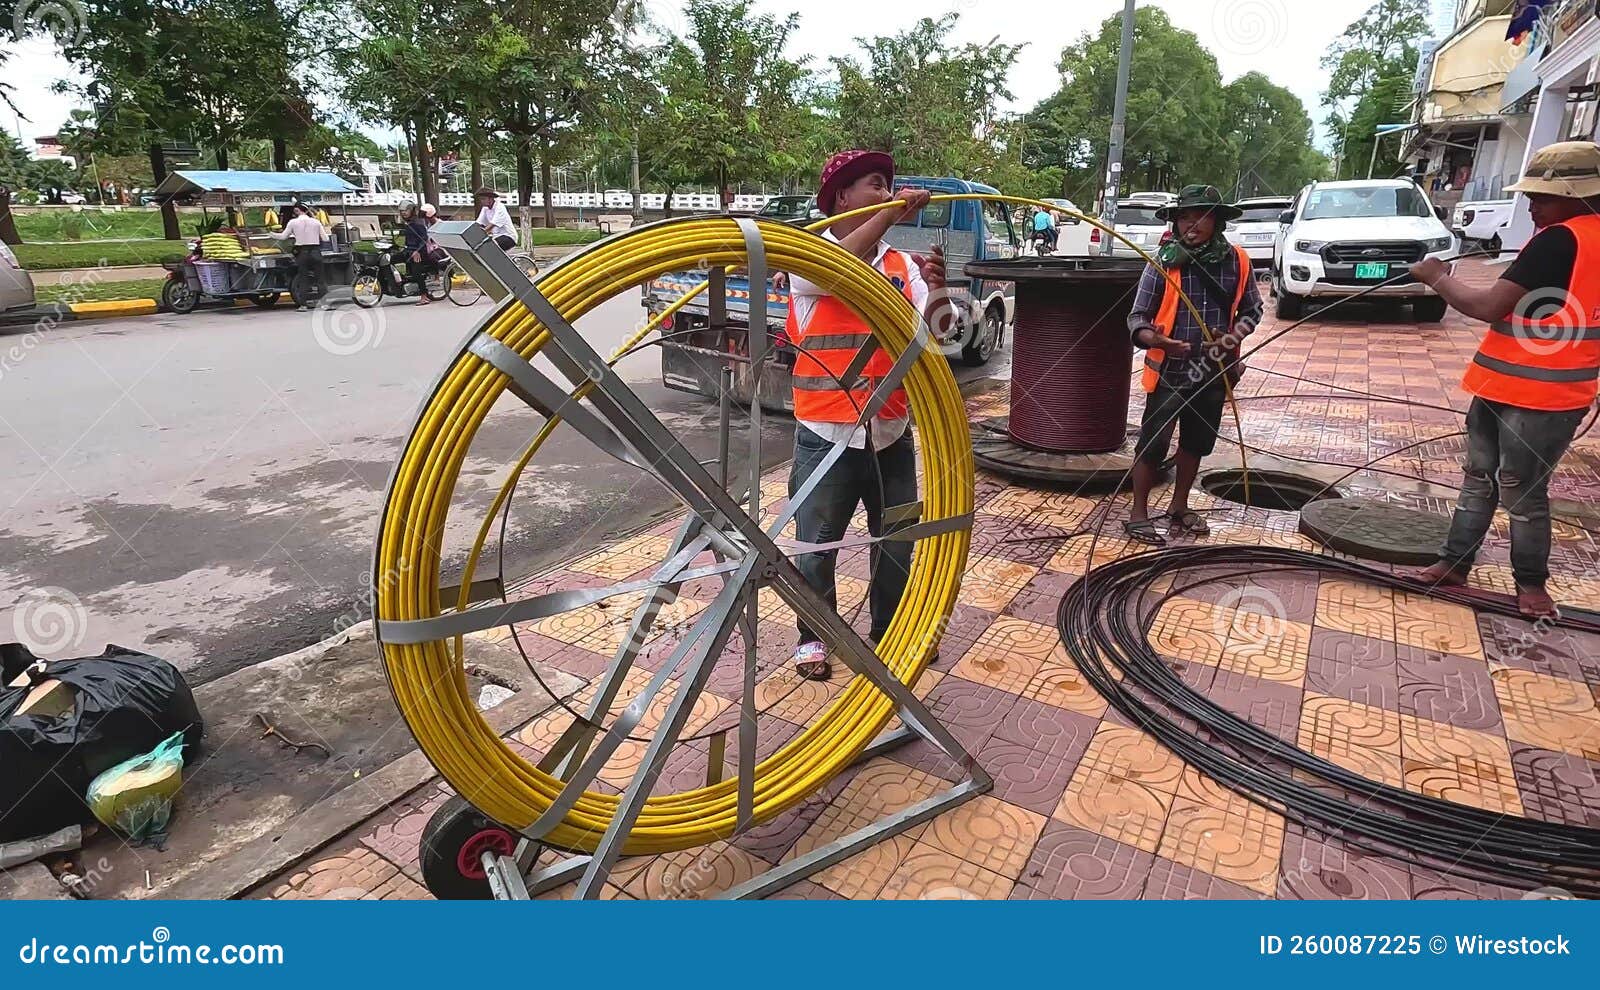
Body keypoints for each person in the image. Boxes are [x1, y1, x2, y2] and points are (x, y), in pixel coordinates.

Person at [1407, 141, 1600, 619]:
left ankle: (1531, 585)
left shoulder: (1561, 240)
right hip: (1516, 389)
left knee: (1519, 490)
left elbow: (1487, 306)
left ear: (1579, 196)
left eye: (1542, 197)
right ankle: (1454, 563)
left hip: (1536, 398)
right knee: (1484, 480)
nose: (1532, 205)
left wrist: (1435, 277)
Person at [784, 150, 951, 680]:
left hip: (890, 433)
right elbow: (834, 277)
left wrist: (939, 287)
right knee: (817, 545)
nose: (886, 193)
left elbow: (935, 338)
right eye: (875, 185)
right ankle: (815, 637)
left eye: (888, 187)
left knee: (897, 540)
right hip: (825, 433)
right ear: (841, 199)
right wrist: (892, 213)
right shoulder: (810, 255)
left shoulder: (903, 267)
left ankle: (890, 633)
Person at [1125, 184, 1261, 545]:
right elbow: (1137, 317)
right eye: (1185, 216)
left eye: (1201, 216)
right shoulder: (1163, 263)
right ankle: (1138, 513)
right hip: (1170, 371)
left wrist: (1232, 338)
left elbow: (1253, 311)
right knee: (1153, 443)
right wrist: (1154, 339)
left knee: (1196, 442)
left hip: (1214, 371)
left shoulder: (1239, 262)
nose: (1192, 224)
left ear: (1217, 221)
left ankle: (1179, 506)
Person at [274, 202, 329, 309]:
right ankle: (324, 304)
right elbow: (326, 238)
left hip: (302, 252)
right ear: (307, 210)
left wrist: (271, 234)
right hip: (315, 251)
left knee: (303, 278)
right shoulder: (316, 222)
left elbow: (283, 237)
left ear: (296, 211)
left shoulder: (293, 222)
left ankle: (303, 305)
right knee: (320, 278)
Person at [398, 202, 434, 304]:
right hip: (409, 251)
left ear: (412, 211)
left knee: (416, 271)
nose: (404, 213)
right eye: (402, 211)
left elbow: (424, 239)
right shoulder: (408, 223)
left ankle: (424, 296)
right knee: (391, 258)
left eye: (406, 210)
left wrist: (416, 251)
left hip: (419, 253)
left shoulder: (418, 223)